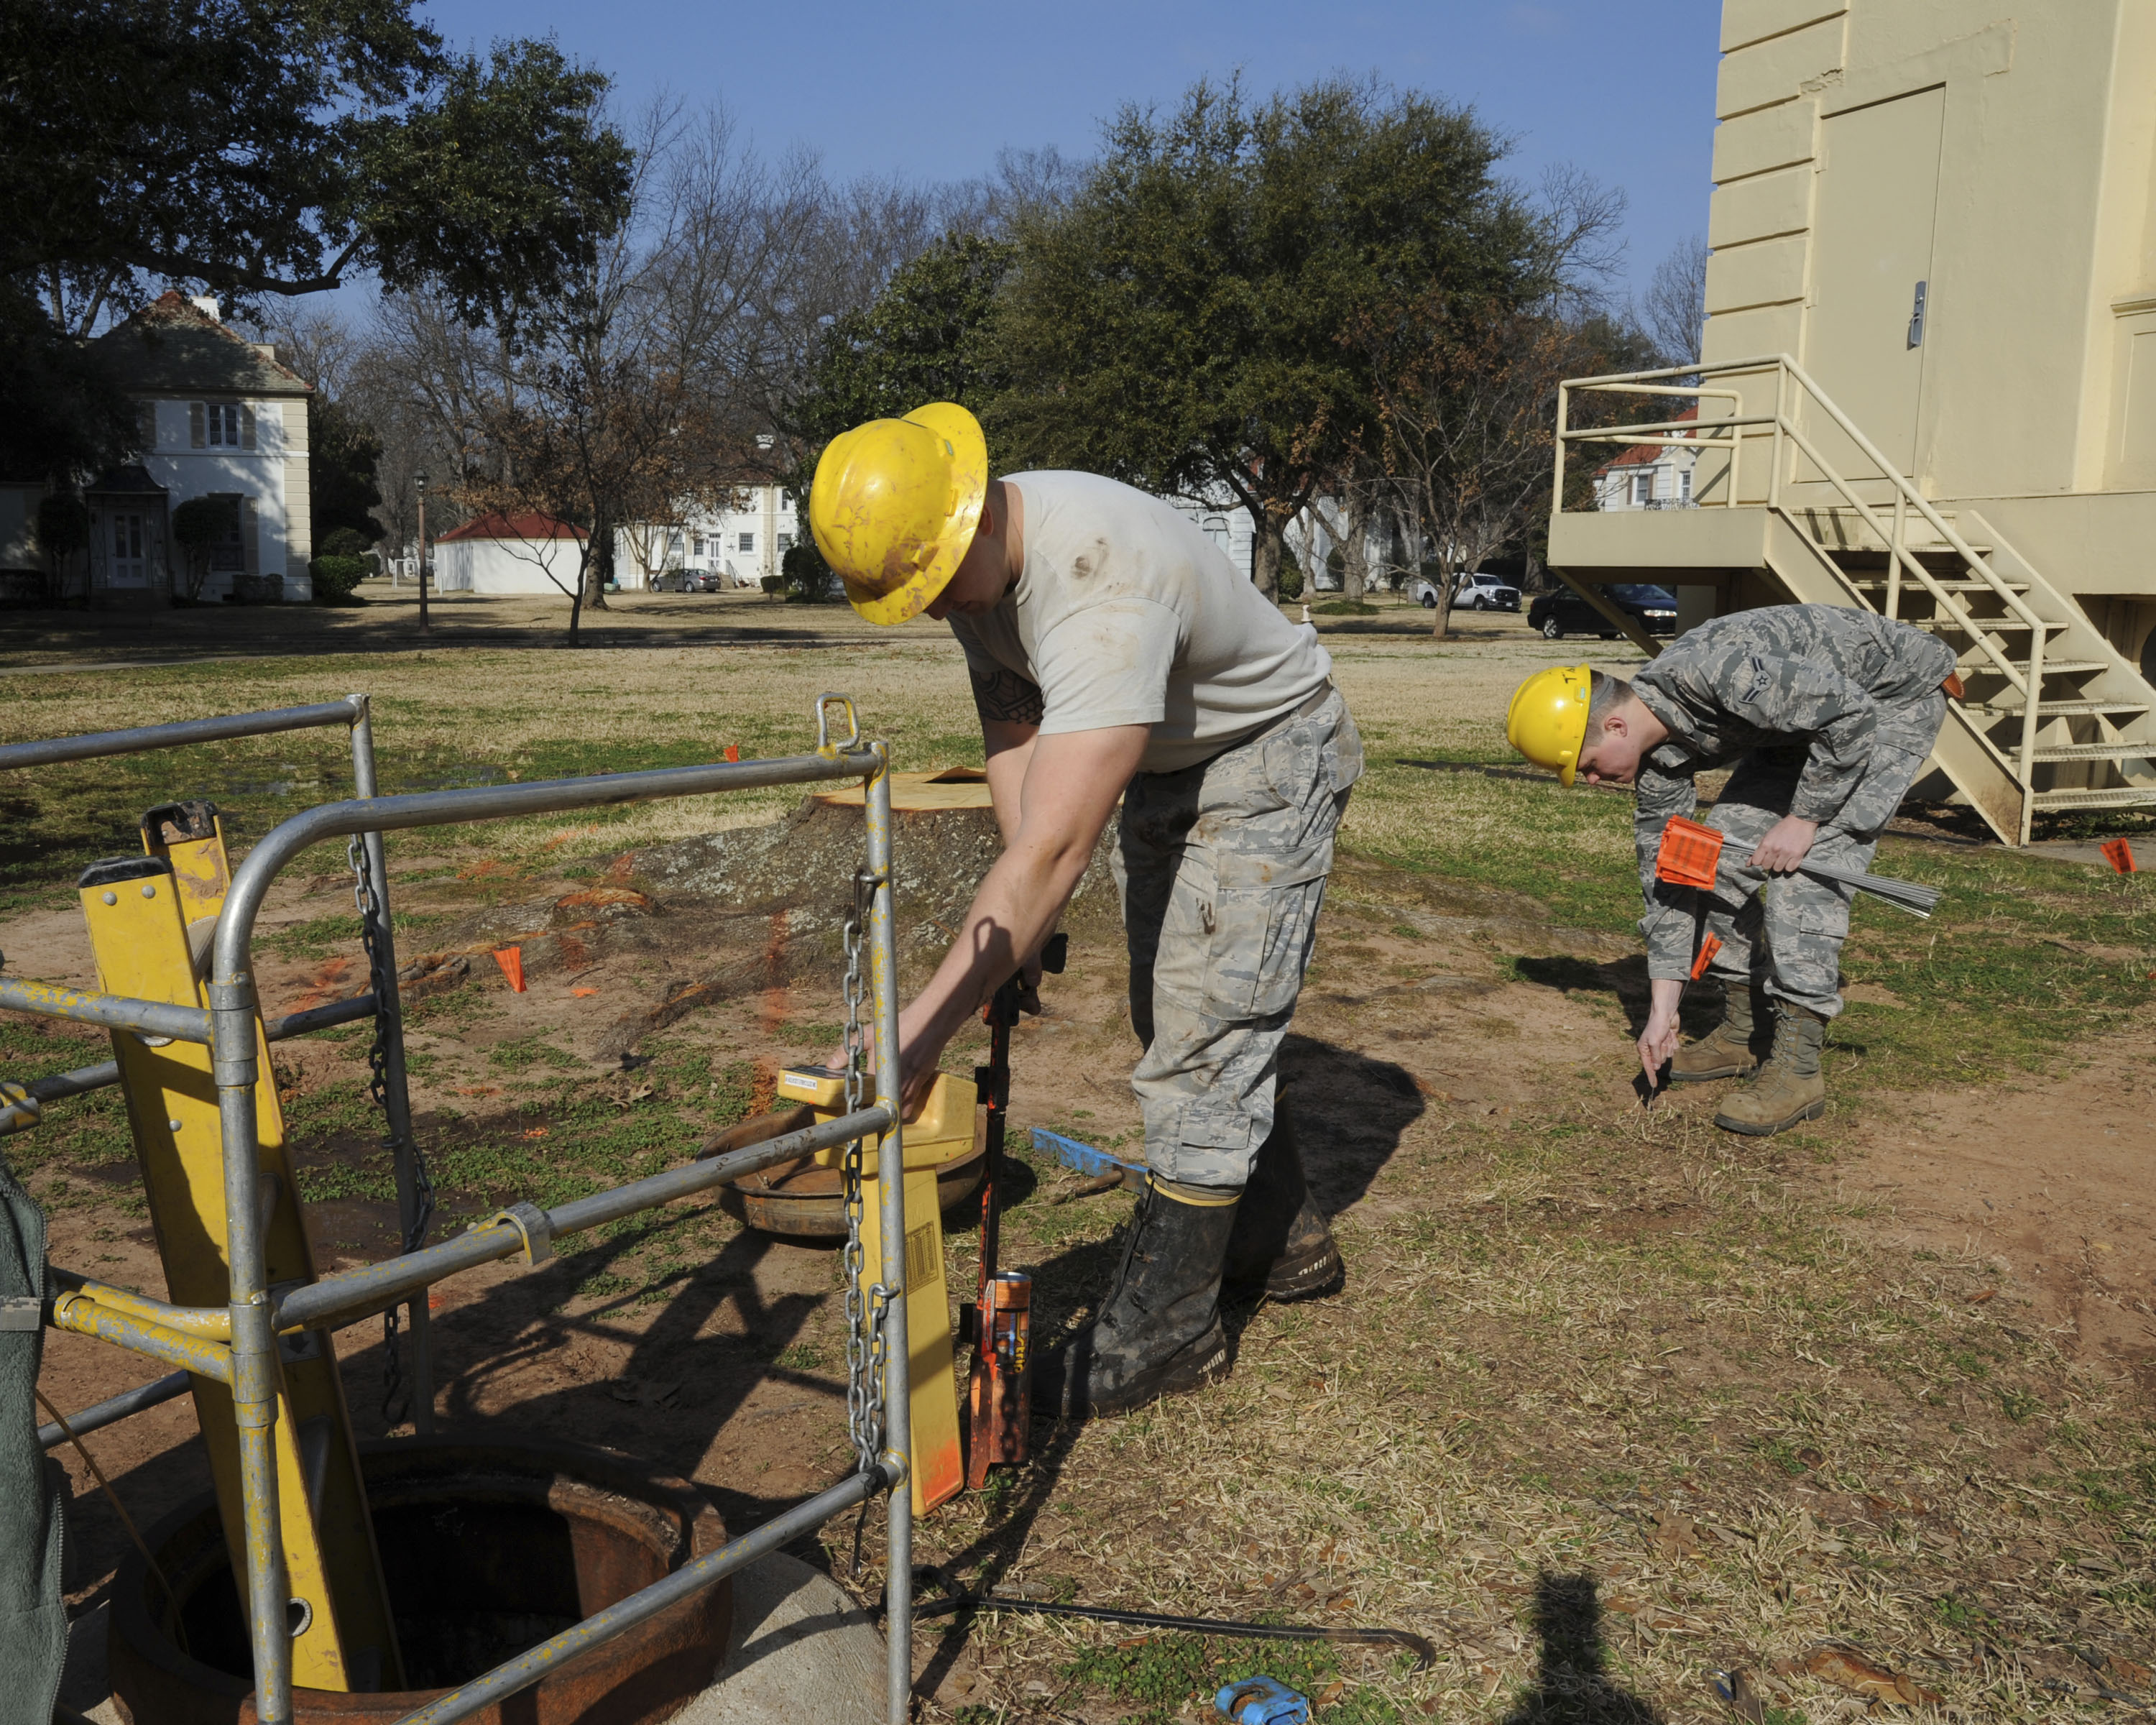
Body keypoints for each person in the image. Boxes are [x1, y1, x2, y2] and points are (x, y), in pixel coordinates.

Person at [808, 402, 1362, 1418]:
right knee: (1181, 1014)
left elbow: (1061, 845)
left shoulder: (1102, 586)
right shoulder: (980, 582)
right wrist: (1022, 936)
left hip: (1267, 757)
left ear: (972, 517)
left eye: (928, 587)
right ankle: (1275, 1236)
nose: (931, 611)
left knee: (1205, 1030)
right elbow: (1017, 746)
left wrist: (919, 1030)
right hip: (1167, 758)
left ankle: (1171, 1330)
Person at [1505, 603, 1958, 1135]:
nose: (1592, 782)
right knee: (1709, 863)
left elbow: (1849, 715)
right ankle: (1744, 1031)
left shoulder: (1717, 675)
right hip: (1799, 722)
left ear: (1617, 724)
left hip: (1886, 698)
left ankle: (1798, 1069)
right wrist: (1661, 1010)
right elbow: (1669, 884)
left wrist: (1804, 819)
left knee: (1803, 872)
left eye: (1586, 765)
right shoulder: (1657, 761)